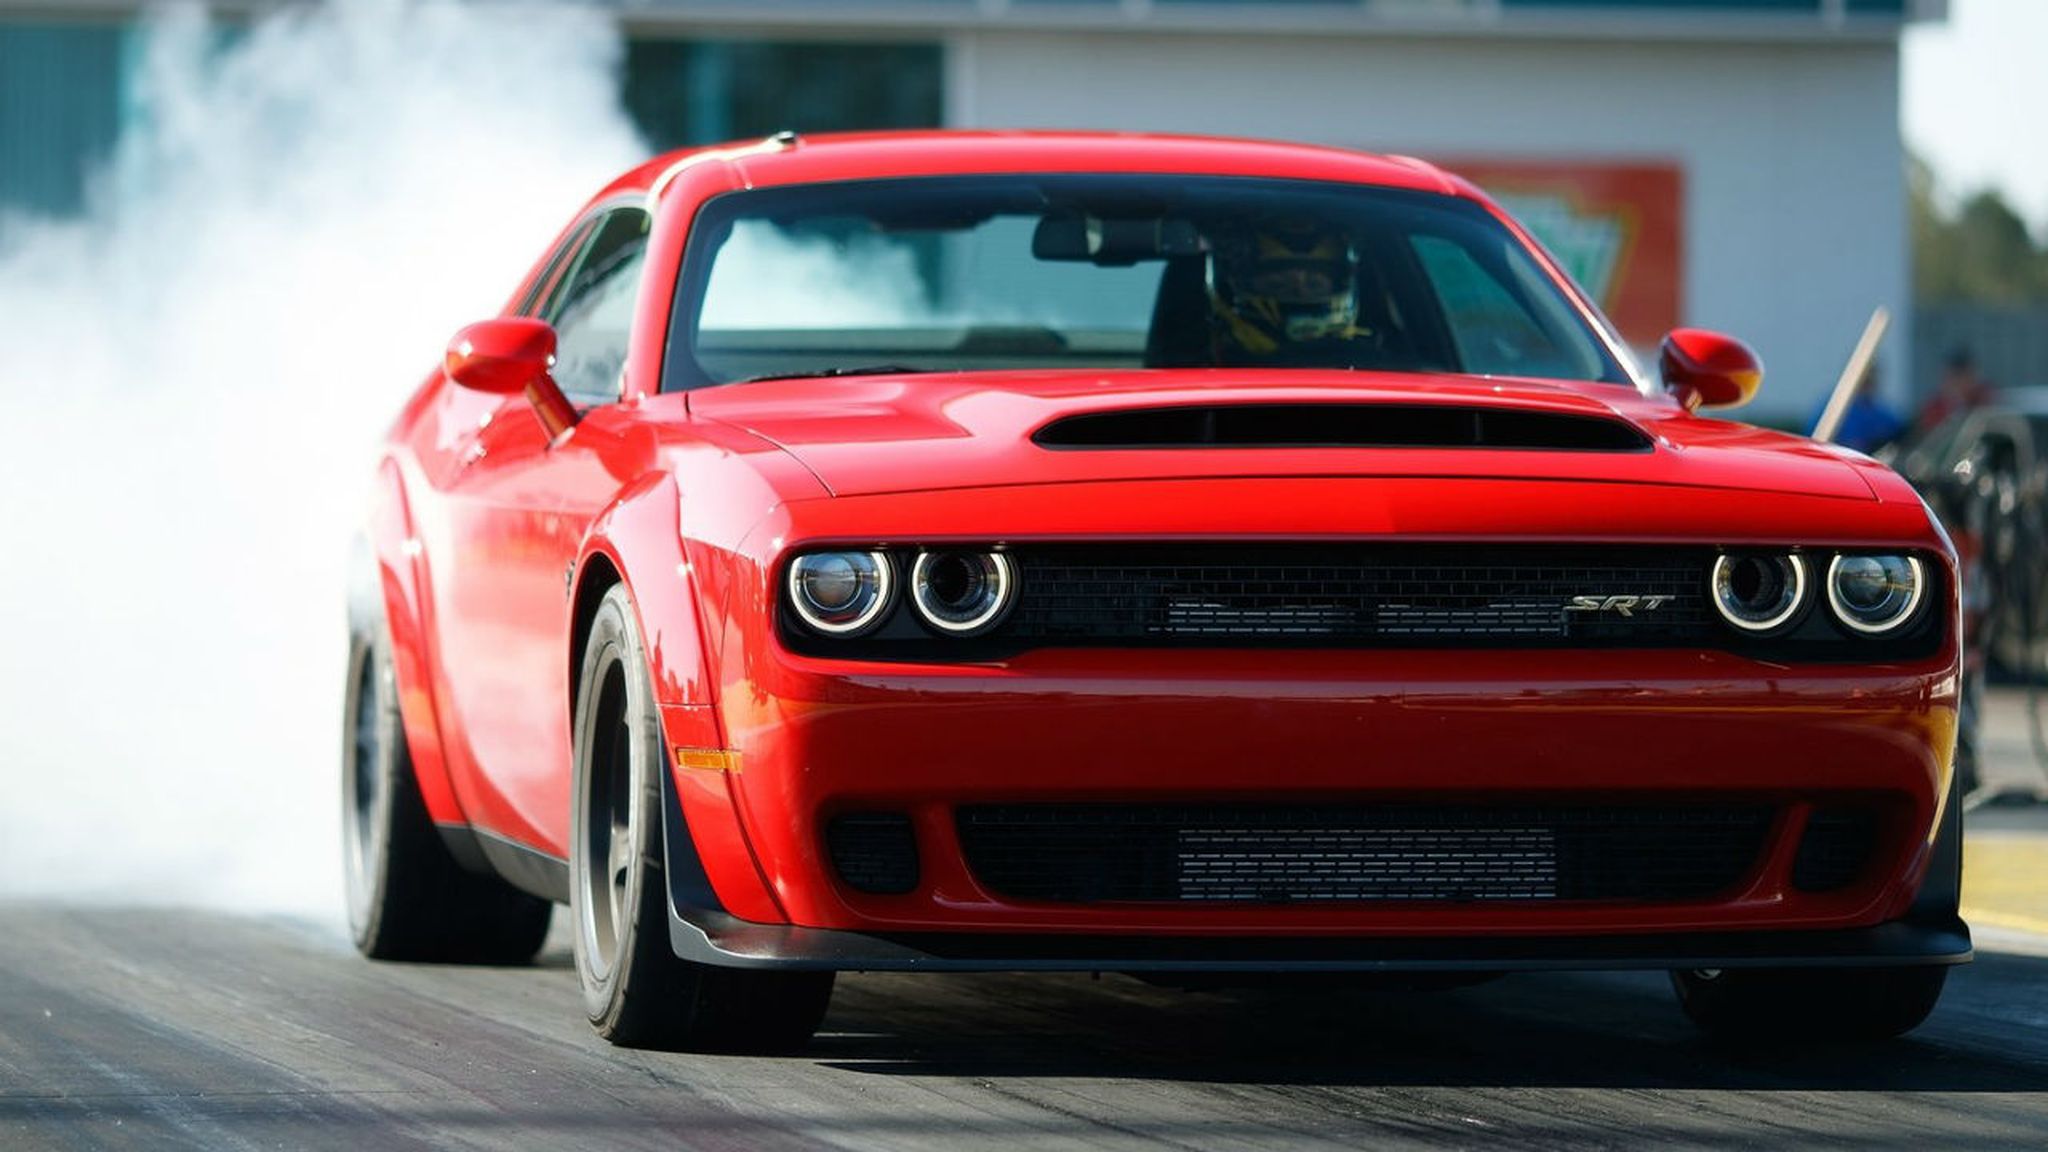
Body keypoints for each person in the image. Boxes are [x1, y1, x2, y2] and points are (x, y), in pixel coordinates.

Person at [1207, 217, 1380, 366]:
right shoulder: (1204, 359)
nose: (1300, 294)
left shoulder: (1372, 361)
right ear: (1234, 288)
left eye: (1315, 285)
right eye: (1278, 285)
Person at [1810, 365, 1904, 453]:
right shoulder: (1834, 406)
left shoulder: (1880, 412)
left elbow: (1899, 433)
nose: (1868, 383)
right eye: (1865, 379)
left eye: (1871, 379)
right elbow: (1814, 439)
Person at [1917, 346, 1997, 434]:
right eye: (1949, 377)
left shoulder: (1985, 398)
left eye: (1960, 377)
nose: (1955, 384)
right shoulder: (1934, 407)